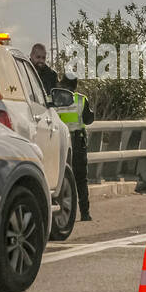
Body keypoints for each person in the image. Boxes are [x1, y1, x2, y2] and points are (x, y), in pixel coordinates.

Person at [58, 69, 95, 221]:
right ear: (75, 85)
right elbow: (89, 120)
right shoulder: (81, 99)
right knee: (81, 179)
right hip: (78, 143)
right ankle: (85, 213)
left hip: (60, 143)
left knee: (64, 179)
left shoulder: (52, 98)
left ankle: (67, 215)